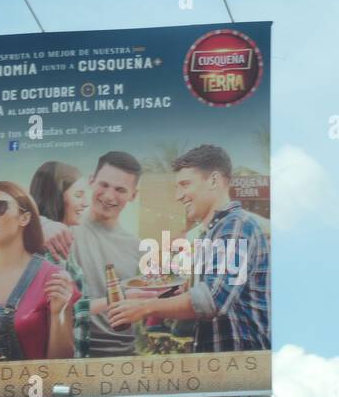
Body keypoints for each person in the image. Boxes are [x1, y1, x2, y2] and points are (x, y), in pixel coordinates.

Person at [107, 144, 270, 353]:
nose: (178, 195)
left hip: (239, 367)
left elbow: (210, 300)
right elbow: (197, 296)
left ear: (213, 181)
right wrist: (151, 296)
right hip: (217, 364)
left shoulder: (236, 225)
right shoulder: (210, 233)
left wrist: (145, 307)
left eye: (184, 184)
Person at [44, 151, 145, 357]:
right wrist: (41, 222)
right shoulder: (63, 229)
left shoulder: (138, 247)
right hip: (75, 352)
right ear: (91, 180)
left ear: (133, 195)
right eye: (104, 185)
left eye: (120, 189)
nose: (109, 196)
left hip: (125, 355)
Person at [0, 181, 78, 360]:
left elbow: (60, 365)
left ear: (24, 218)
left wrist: (58, 312)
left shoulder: (52, 277)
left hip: (31, 387)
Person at [29, 161, 93, 356]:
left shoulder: (60, 244)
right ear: (56, 196)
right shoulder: (47, 254)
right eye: (78, 195)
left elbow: (75, 310)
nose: (86, 203)